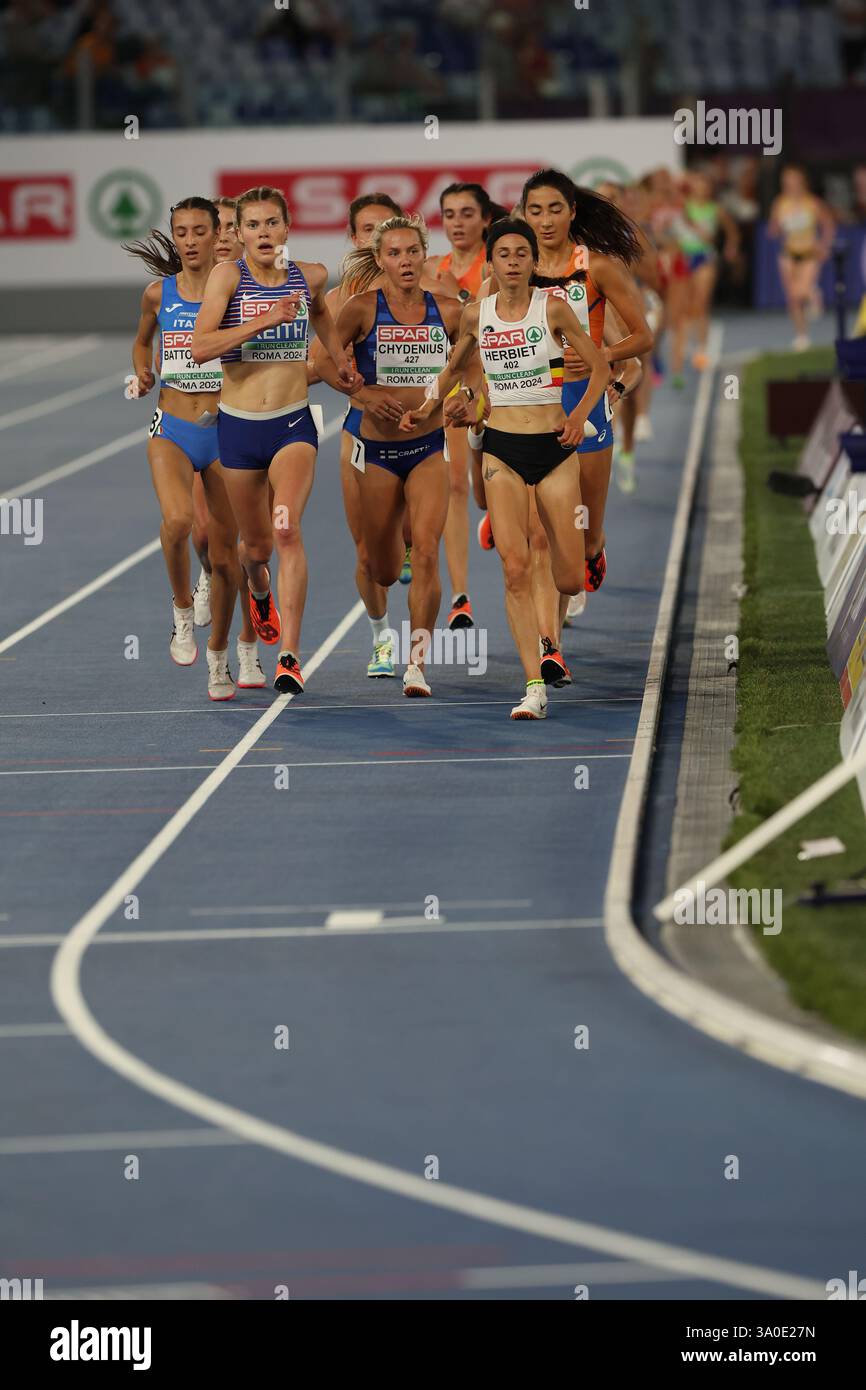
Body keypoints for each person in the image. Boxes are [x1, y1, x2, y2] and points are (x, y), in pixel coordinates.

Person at [404, 217, 608, 719]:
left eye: (522, 254)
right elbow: (453, 368)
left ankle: (573, 564)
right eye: (504, 255)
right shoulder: (477, 315)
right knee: (515, 569)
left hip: (556, 447)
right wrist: (430, 411)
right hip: (501, 449)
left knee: (568, 579)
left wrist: (581, 418)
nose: (513, 263)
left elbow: (600, 366)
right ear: (491, 263)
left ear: (533, 262)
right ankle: (534, 682)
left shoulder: (553, 308)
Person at [191, 185, 358, 694]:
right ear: (237, 233)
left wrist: (340, 359)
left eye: (272, 223)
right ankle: (259, 591)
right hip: (238, 427)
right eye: (253, 225)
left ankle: (289, 655)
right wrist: (264, 319)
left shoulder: (310, 277)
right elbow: (200, 347)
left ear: (287, 227)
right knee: (256, 548)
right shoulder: (227, 277)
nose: (264, 233)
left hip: (292, 424)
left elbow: (324, 317)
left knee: (286, 531)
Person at [307, 192, 460, 678]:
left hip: (430, 443)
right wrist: (362, 391)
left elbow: (476, 361)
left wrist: (465, 401)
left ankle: (416, 663)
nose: (403, 259)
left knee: (430, 548)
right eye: (390, 250)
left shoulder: (448, 302)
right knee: (379, 565)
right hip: (368, 443)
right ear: (369, 249)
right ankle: (380, 636)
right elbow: (321, 363)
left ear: (423, 250)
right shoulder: (348, 305)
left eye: (410, 250)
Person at [126, 196, 264, 700]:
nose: (188, 241)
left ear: (216, 236)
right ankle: (182, 611)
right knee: (180, 522)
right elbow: (143, 342)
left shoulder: (239, 290)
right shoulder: (157, 295)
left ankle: (220, 657)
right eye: (179, 232)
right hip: (174, 426)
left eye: (198, 231)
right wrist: (144, 371)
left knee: (230, 559)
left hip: (229, 429)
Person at [425, 182, 508, 632]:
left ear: (484, 219)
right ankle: (460, 595)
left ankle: (497, 509)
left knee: (487, 490)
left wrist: (459, 298)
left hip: (504, 391)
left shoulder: (498, 268)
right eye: (449, 214)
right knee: (455, 486)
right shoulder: (429, 268)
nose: (457, 223)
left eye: (466, 214)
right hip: (457, 391)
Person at [768, 165, 835, 351]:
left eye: (794, 181)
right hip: (788, 253)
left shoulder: (812, 203)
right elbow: (773, 228)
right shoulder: (780, 203)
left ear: (802, 182)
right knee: (792, 297)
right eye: (787, 182)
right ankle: (801, 336)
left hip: (809, 253)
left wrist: (824, 245)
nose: (790, 185)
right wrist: (775, 229)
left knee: (801, 291)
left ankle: (813, 293)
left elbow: (828, 224)